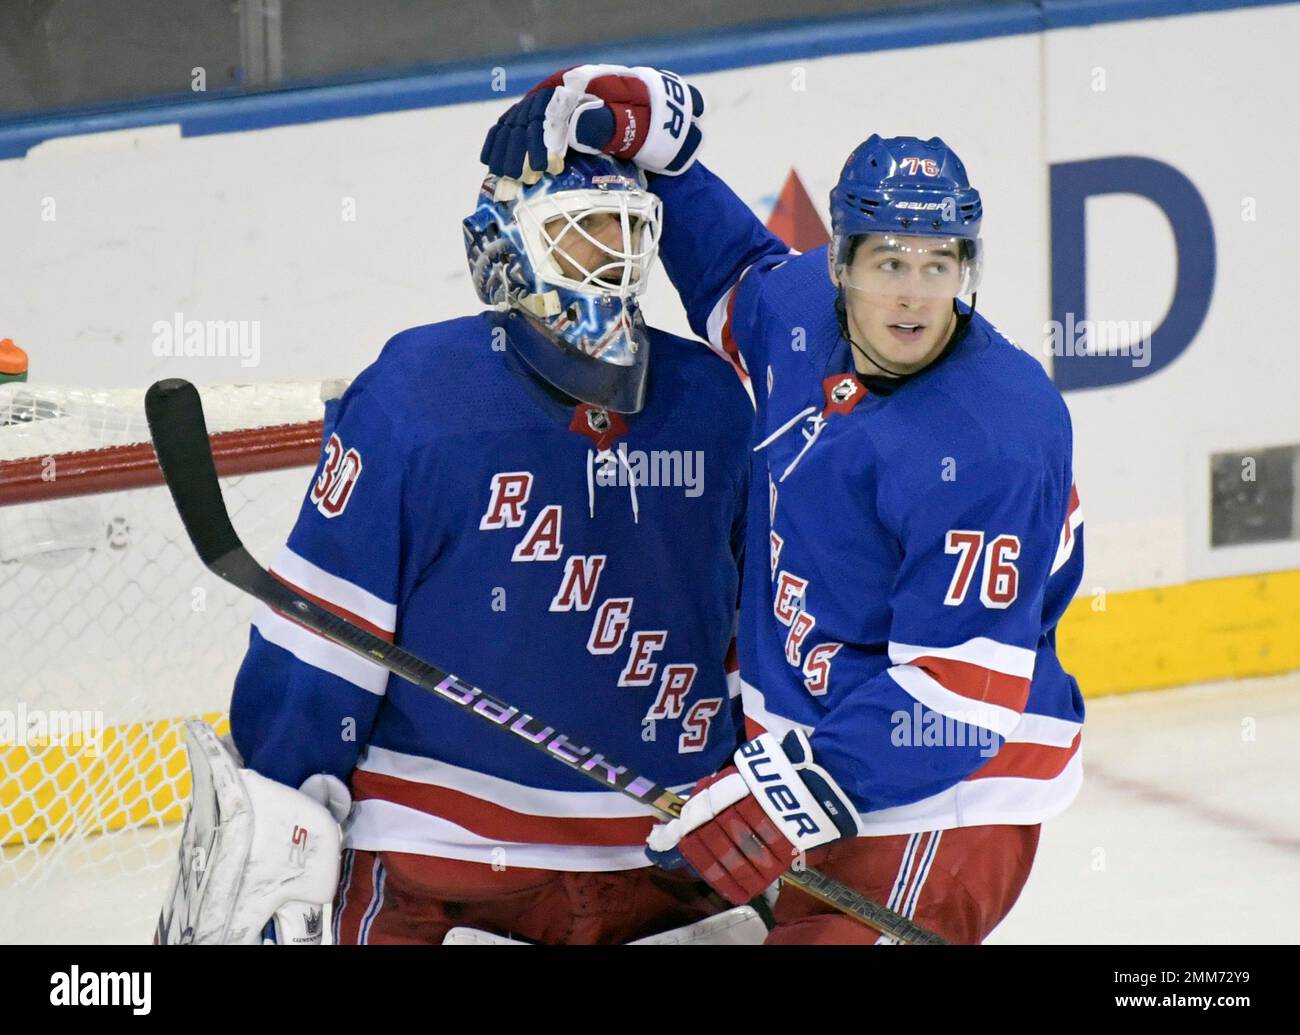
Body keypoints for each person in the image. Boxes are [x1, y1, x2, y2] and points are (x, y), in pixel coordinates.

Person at [483, 65, 1086, 944]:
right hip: (815, 765)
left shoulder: (994, 437)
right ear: (839, 263)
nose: (914, 293)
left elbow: (953, 705)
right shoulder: (803, 309)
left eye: (938, 262)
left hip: (949, 799)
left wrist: (780, 795)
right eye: (887, 261)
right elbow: (732, 270)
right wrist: (648, 142)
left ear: (968, 266)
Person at [184, 146, 762, 944]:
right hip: (442, 862)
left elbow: (753, 643)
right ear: (505, 248)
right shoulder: (418, 395)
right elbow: (322, 650)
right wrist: (283, 803)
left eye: (631, 227)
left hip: (660, 861)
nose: (615, 255)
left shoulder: (713, 403)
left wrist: (756, 794)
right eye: (581, 229)